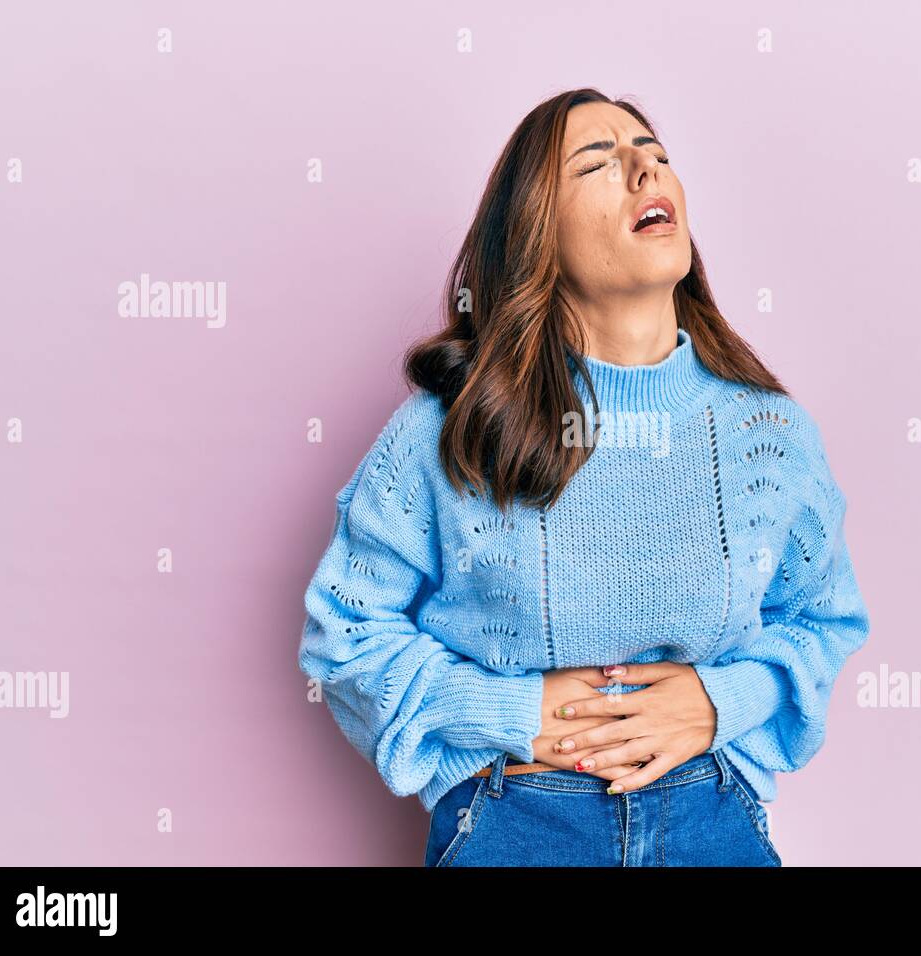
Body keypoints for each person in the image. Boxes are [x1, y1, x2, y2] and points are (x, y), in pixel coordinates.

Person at [298, 88, 871, 866]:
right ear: (536, 232)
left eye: (656, 154)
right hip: (514, 825)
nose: (645, 169)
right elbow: (345, 630)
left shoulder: (767, 434)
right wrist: (507, 710)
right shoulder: (454, 428)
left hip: (711, 825)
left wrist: (721, 702)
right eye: (599, 163)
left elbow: (823, 621)